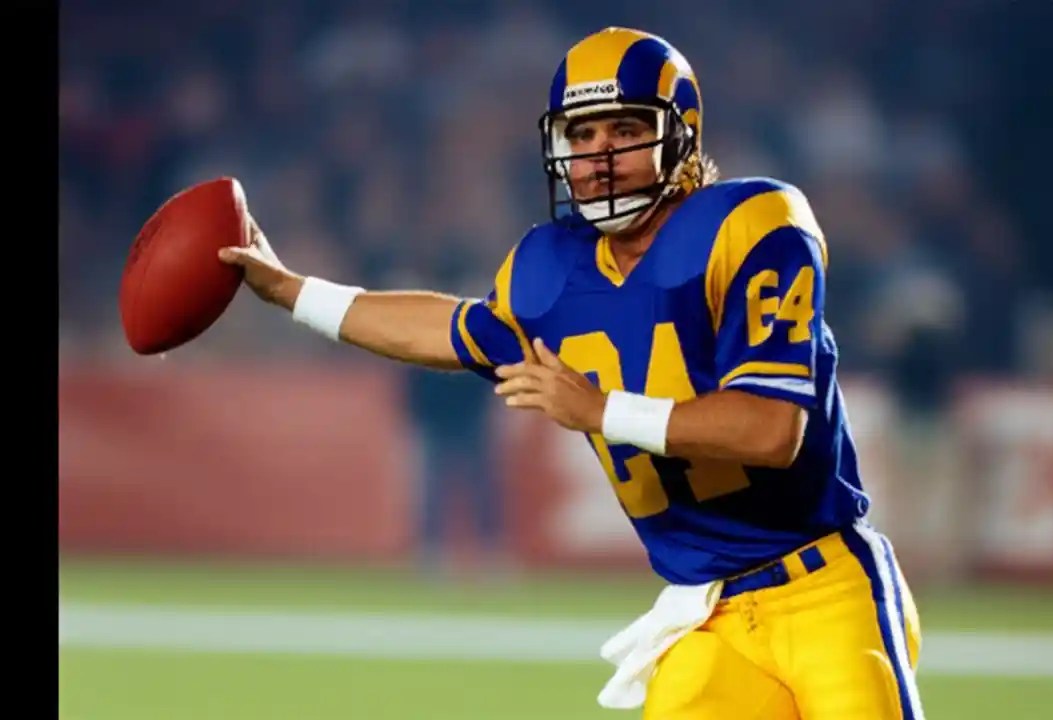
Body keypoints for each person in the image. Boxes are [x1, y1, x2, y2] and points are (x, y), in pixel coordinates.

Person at [219, 26, 924, 720]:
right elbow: (442, 328)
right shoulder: (547, 271)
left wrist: (601, 411)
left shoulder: (752, 223)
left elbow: (772, 431)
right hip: (706, 613)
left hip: (826, 588)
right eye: (581, 136)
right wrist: (290, 290)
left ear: (680, 135)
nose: (599, 157)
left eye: (622, 129)